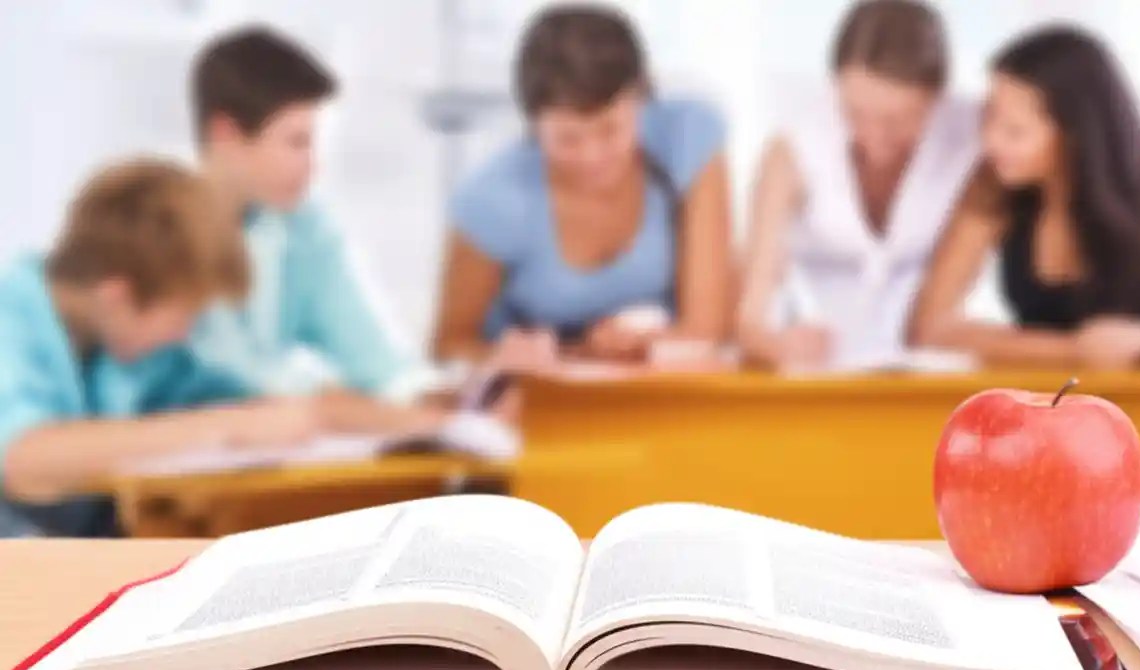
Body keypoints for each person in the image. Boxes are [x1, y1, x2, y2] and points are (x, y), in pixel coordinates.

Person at [906, 27, 1140, 522]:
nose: (992, 141)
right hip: (1049, 436)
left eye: (1015, 129)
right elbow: (931, 327)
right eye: (990, 120)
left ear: (1072, 135)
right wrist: (1081, 354)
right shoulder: (997, 184)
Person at [0, 161, 316, 537]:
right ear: (117, 299)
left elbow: (205, 391)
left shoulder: (117, 346)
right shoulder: (11, 318)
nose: (184, 334)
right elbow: (24, 459)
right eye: (184, 315)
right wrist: (226, 426)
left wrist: (261, 411)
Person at [434, 3, 733, 366]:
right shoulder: (494, 199)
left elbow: (706, 328)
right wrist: (576, 354)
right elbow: (447, 348)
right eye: (568, 140)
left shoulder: (686, 137)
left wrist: (643, 350)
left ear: (641, 98)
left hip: (666, 387)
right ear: (533, 125)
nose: (592, 157)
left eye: (611, 130)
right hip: (541, 400)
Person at [189, 26, 446, 401]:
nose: (312, 167)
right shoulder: (156, 231)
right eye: (296, 142)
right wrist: (327, 396)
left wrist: (455, 398)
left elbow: (378, 362)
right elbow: (223, 376)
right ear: (225, 133)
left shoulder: (305, 227)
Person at [738, 0, 980, 369]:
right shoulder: (794, 146)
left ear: (937, 98)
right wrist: (777, 344)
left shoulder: (972, 135)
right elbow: (750, 317)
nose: (873, 139)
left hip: (934, 374)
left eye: (897, 120)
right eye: (854, 113)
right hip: (820, 377)